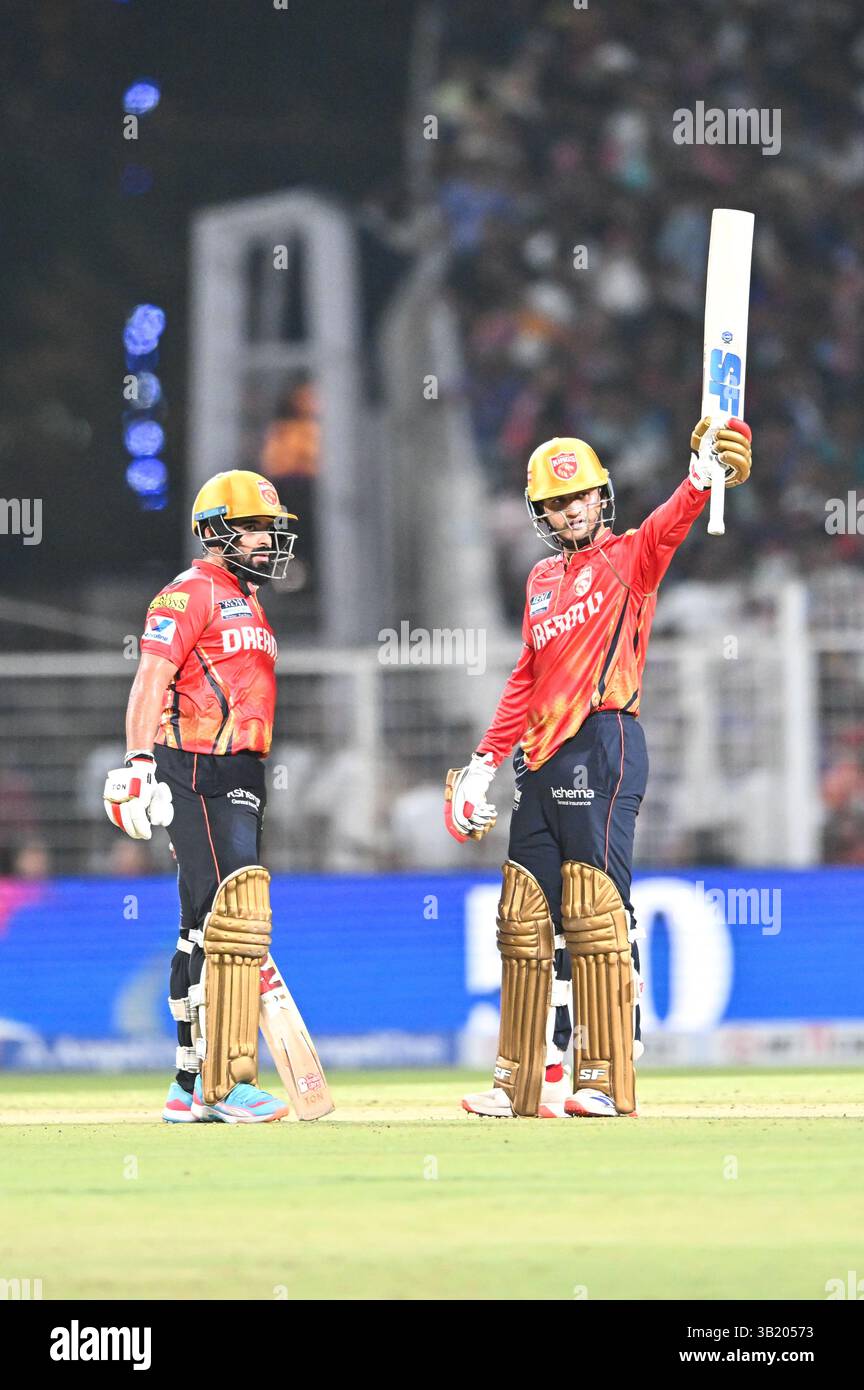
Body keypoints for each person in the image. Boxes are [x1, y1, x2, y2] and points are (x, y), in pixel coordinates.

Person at [445, 417, 752, 1117]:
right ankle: (527, 1081)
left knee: (594, 908)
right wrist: (483, 762)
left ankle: (607, 1072)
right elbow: (526, 676)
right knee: (526, 918)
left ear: (602, 497)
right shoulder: (540, 581)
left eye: (580, 495)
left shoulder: (628, 558)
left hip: (605, 741)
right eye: (556, 503)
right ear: (540, 513)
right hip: (541, 760)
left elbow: (670, 526)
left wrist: (701, 477)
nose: (570, 508)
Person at [103, 470, 298, 1124]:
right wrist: (136, 760)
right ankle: (227, 1085)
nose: (267, 542)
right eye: (254, 528)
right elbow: (151, 677)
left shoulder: (249, 601)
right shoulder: (189, 594)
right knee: (227, 921)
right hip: (194, 767)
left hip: (240, 773)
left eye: (271, 530)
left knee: (198, 929)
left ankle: (188, 1084)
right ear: (216, 530)